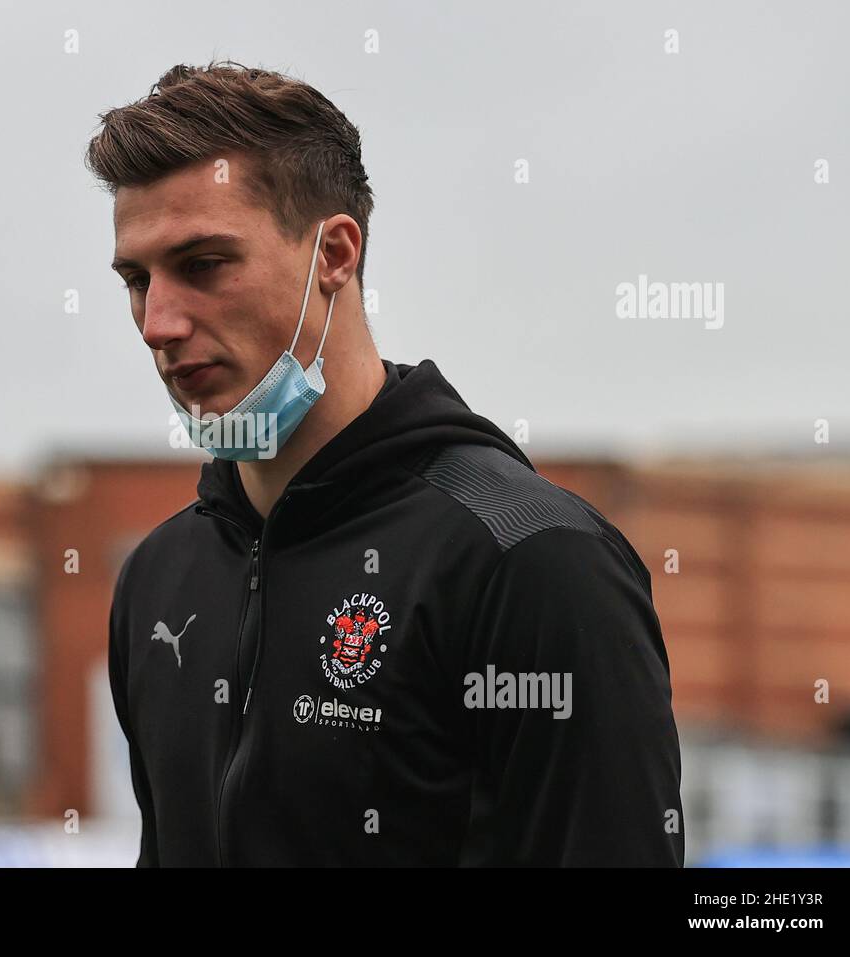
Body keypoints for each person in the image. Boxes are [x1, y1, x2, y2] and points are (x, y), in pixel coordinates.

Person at [88, 61, 684, 866]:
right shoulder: (161, 574)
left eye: (203, 266)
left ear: (334, 253)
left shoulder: (532, 560)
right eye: (136, 278)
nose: (158, 322)